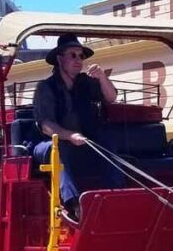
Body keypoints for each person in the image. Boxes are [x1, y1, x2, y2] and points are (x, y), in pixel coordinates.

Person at [32, 33, 125, 220]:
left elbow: (111, 97)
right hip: (48, 144)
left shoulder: (87, 83)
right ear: (60, 59)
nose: (78, 60)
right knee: (56, 148)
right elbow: (46, 125)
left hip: (84, 141)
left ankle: (115, 194)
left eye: (81, 56)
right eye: (73, 55)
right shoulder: (46, 87)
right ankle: (73, 204)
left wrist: (102, 77)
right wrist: (70, 136)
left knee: (108, 140)